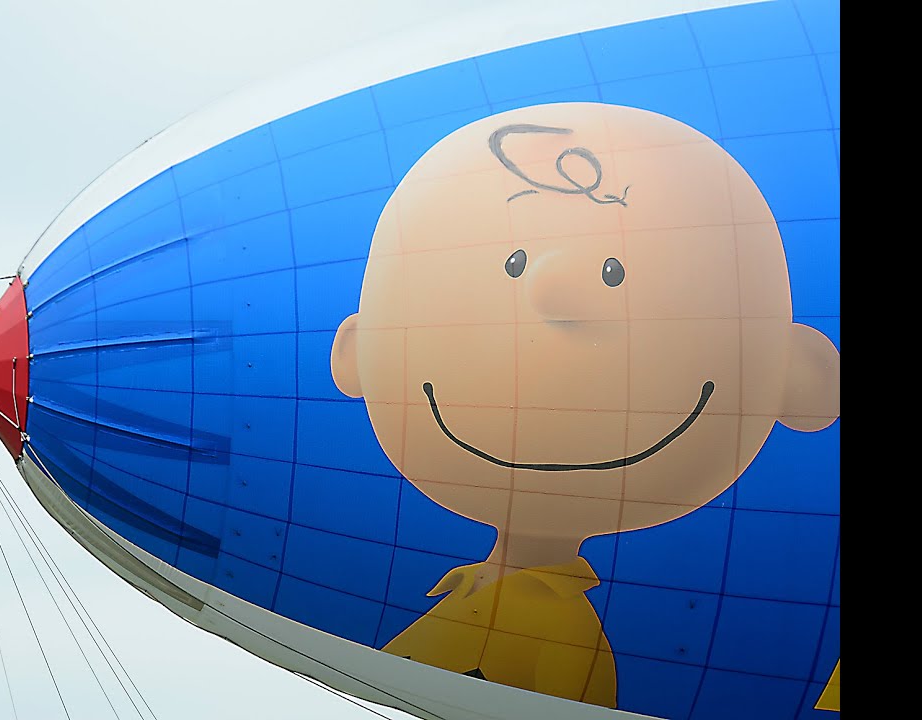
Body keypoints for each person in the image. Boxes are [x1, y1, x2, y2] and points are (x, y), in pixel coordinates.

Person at [329, 102, 840, 706]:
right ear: (358, 351)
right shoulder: (471, 599)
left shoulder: (562, 632)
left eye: (614, 270)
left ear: (798, 376)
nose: (555, 292)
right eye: (514, 264)